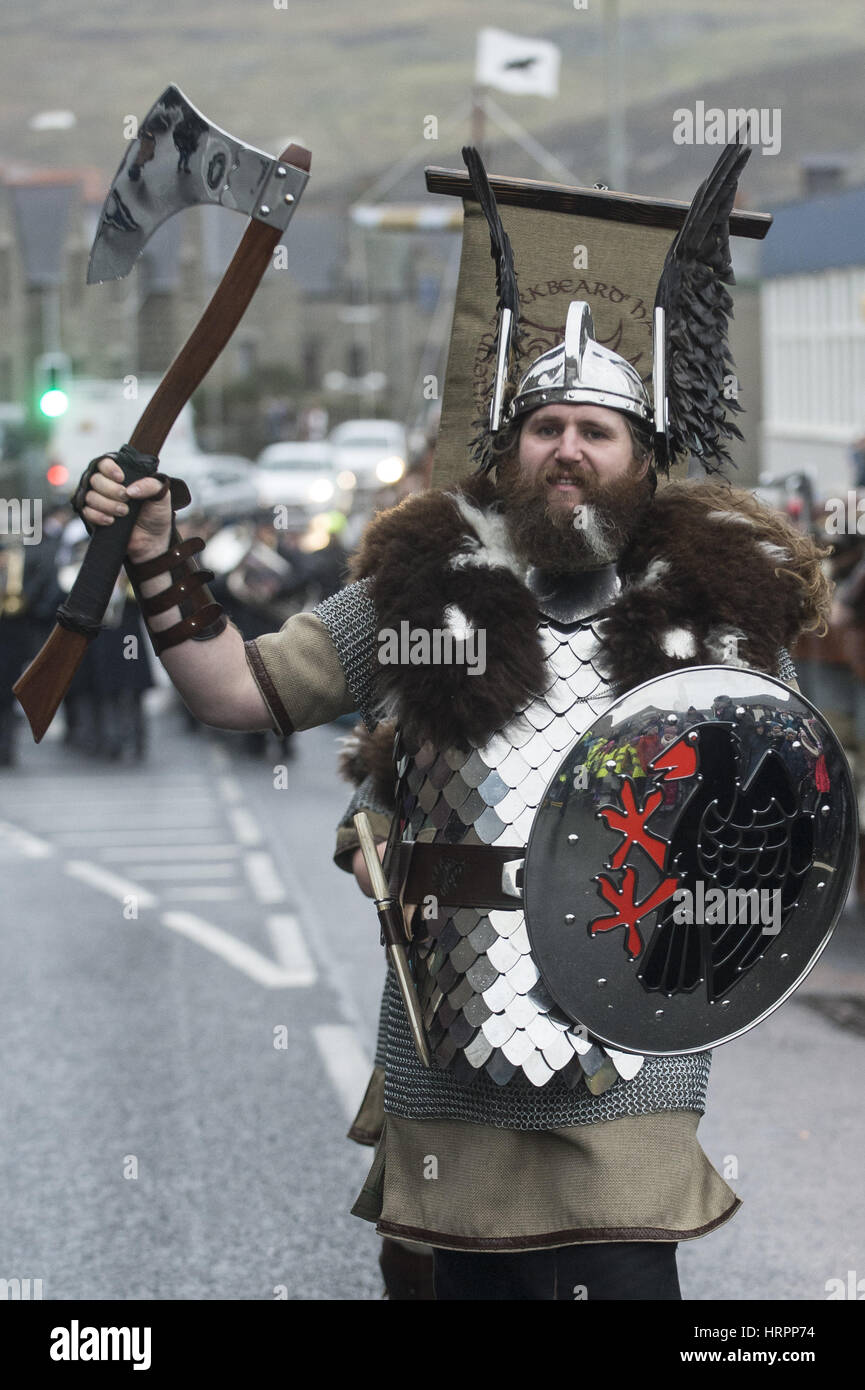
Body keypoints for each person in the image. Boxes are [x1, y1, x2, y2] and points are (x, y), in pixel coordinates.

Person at [74, 145, 833, 1301]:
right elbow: (239, 692)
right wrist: (156, 560)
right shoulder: (413, 594)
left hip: (625, 1068)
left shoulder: (710, 623)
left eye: (596, 429)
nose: (567, 448)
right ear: (507, 449)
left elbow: (781, 833)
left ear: (642, 460)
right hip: (452, 1063)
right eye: (544, 428)